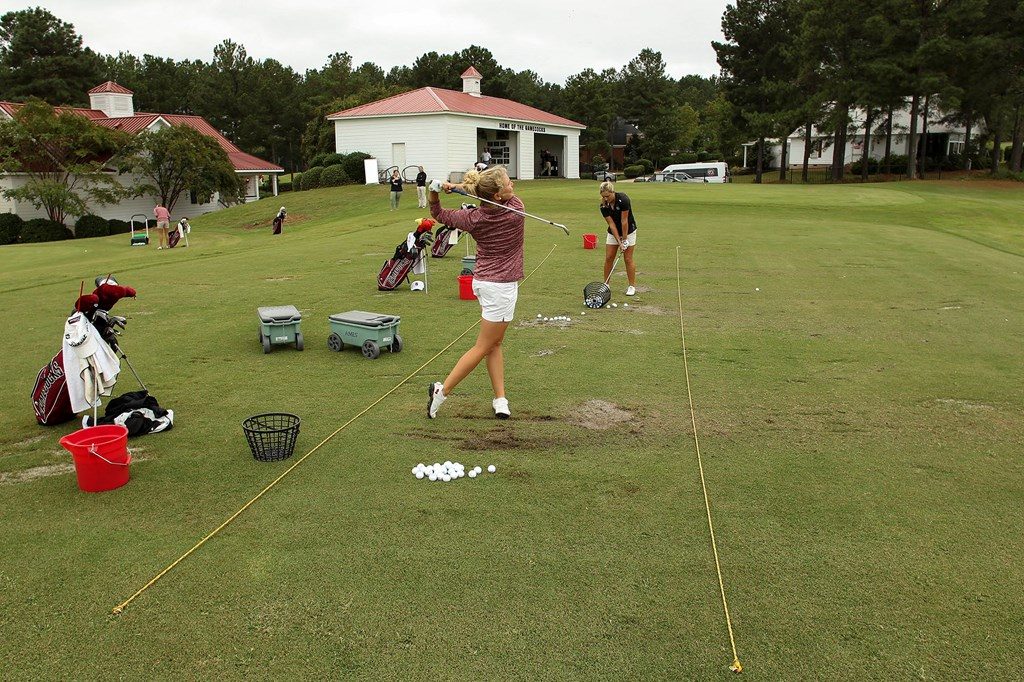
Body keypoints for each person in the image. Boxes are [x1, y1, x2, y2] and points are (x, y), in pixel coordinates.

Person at [426, 166, 525, 420]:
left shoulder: (473, 218)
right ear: (497, 196)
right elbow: (504, 199)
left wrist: (436, 192)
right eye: (507, 184)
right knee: (483, 346)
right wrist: (462, 189)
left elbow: (437, 213)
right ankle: (441, 390)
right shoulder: (516, 211)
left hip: (482, 283)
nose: (511, 184)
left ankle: (500, 398)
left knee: (495, 343)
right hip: (500, 288)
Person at [599, 181, 637, 296]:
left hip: (629, 231)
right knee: (609, 257)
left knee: (628, 258)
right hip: (613, 233)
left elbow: (624, 221)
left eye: (608, 196)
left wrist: (625, 240)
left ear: (613, 192)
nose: (606, 199)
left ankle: (631, 286)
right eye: (603, 197)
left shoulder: (623, 199)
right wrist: (619, 241)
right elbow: (612, 224)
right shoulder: (603, 206)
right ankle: (606, 284)